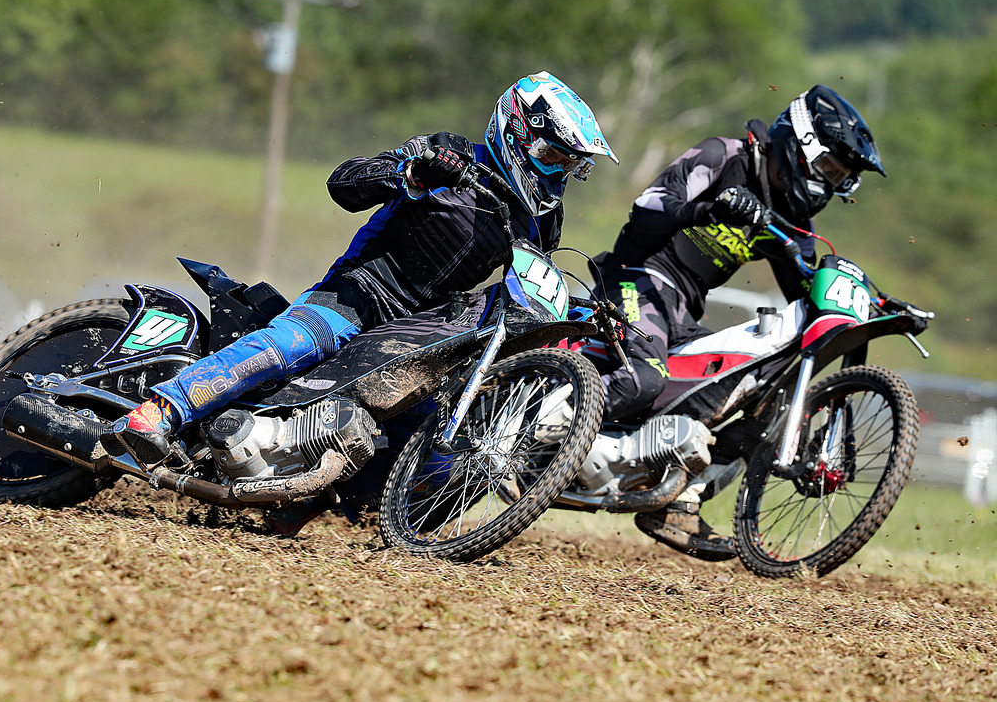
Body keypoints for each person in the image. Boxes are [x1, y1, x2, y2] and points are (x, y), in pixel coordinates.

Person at [99, 71, 618, 533]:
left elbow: (529, 283)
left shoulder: (543, 218)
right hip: (357, 293)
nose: (557, 174)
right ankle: (159, 411)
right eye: (551, 156)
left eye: (568, 164)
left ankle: (307, 495)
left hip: (421, 329)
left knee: (423, 436)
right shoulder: (448, 152)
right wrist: (415, 174)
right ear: (518, 132)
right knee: (293, 341)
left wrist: (581, 314)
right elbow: (344, 183)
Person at [588, 84, 885, 561]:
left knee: (764, 398)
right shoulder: (724, 156)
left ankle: (679, 502)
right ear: (802, 145)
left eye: (841, 178)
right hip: (633, 279)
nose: (830, 185)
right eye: (830, 169)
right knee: (643, 379)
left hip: (683, 314)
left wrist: (872, 303)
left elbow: (804, 294)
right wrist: (711, 208)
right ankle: (532, 432)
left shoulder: (791, 219)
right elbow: (646, 211)